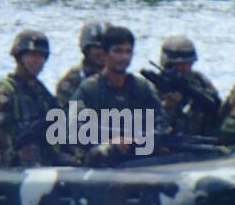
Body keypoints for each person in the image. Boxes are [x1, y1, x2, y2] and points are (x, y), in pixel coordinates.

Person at [71, 24, 169, 162]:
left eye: (128, 52)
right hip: (101, 156)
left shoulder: (141, 87)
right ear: (105, 54)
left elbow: (162, 123)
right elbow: (74, 127)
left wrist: (139, 139)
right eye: (117, 51)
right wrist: (111, 141)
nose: (123, 57)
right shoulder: (89, 89)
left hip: (137, 154)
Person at [0, 30, 76, 167]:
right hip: (11, 164)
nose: (37, 61)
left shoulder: (42, 93)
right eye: (32, 55)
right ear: (19, 57)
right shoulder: (4, 92)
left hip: (43, 159)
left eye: (41, 56)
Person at [153, 35, 221, 137]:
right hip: (166, 146)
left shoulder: (200, 81)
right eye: (177, 64)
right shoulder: (152, 87)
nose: (183, 68)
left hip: (201, 143)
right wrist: (167, 107)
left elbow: (217, 108)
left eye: (187, 63)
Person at [55, 21, 108, 106]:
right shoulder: (72, 80)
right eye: (96, 48)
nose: (102, 52)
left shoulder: (120, 78)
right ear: (86, 50)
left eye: (106, 47)